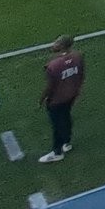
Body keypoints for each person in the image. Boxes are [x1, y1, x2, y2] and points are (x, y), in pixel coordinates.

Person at [38, 36, 85, 164]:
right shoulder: (78, 56)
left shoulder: (53, 65)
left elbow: (50, 86)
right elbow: (81, 75)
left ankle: (57, 152)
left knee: (57, 124)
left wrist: (42, 99)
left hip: (57, 100)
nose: (53, 44)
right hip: (71, 95)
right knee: (66, 116)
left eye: (57, 42)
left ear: (62, 46)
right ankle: (67, 142)